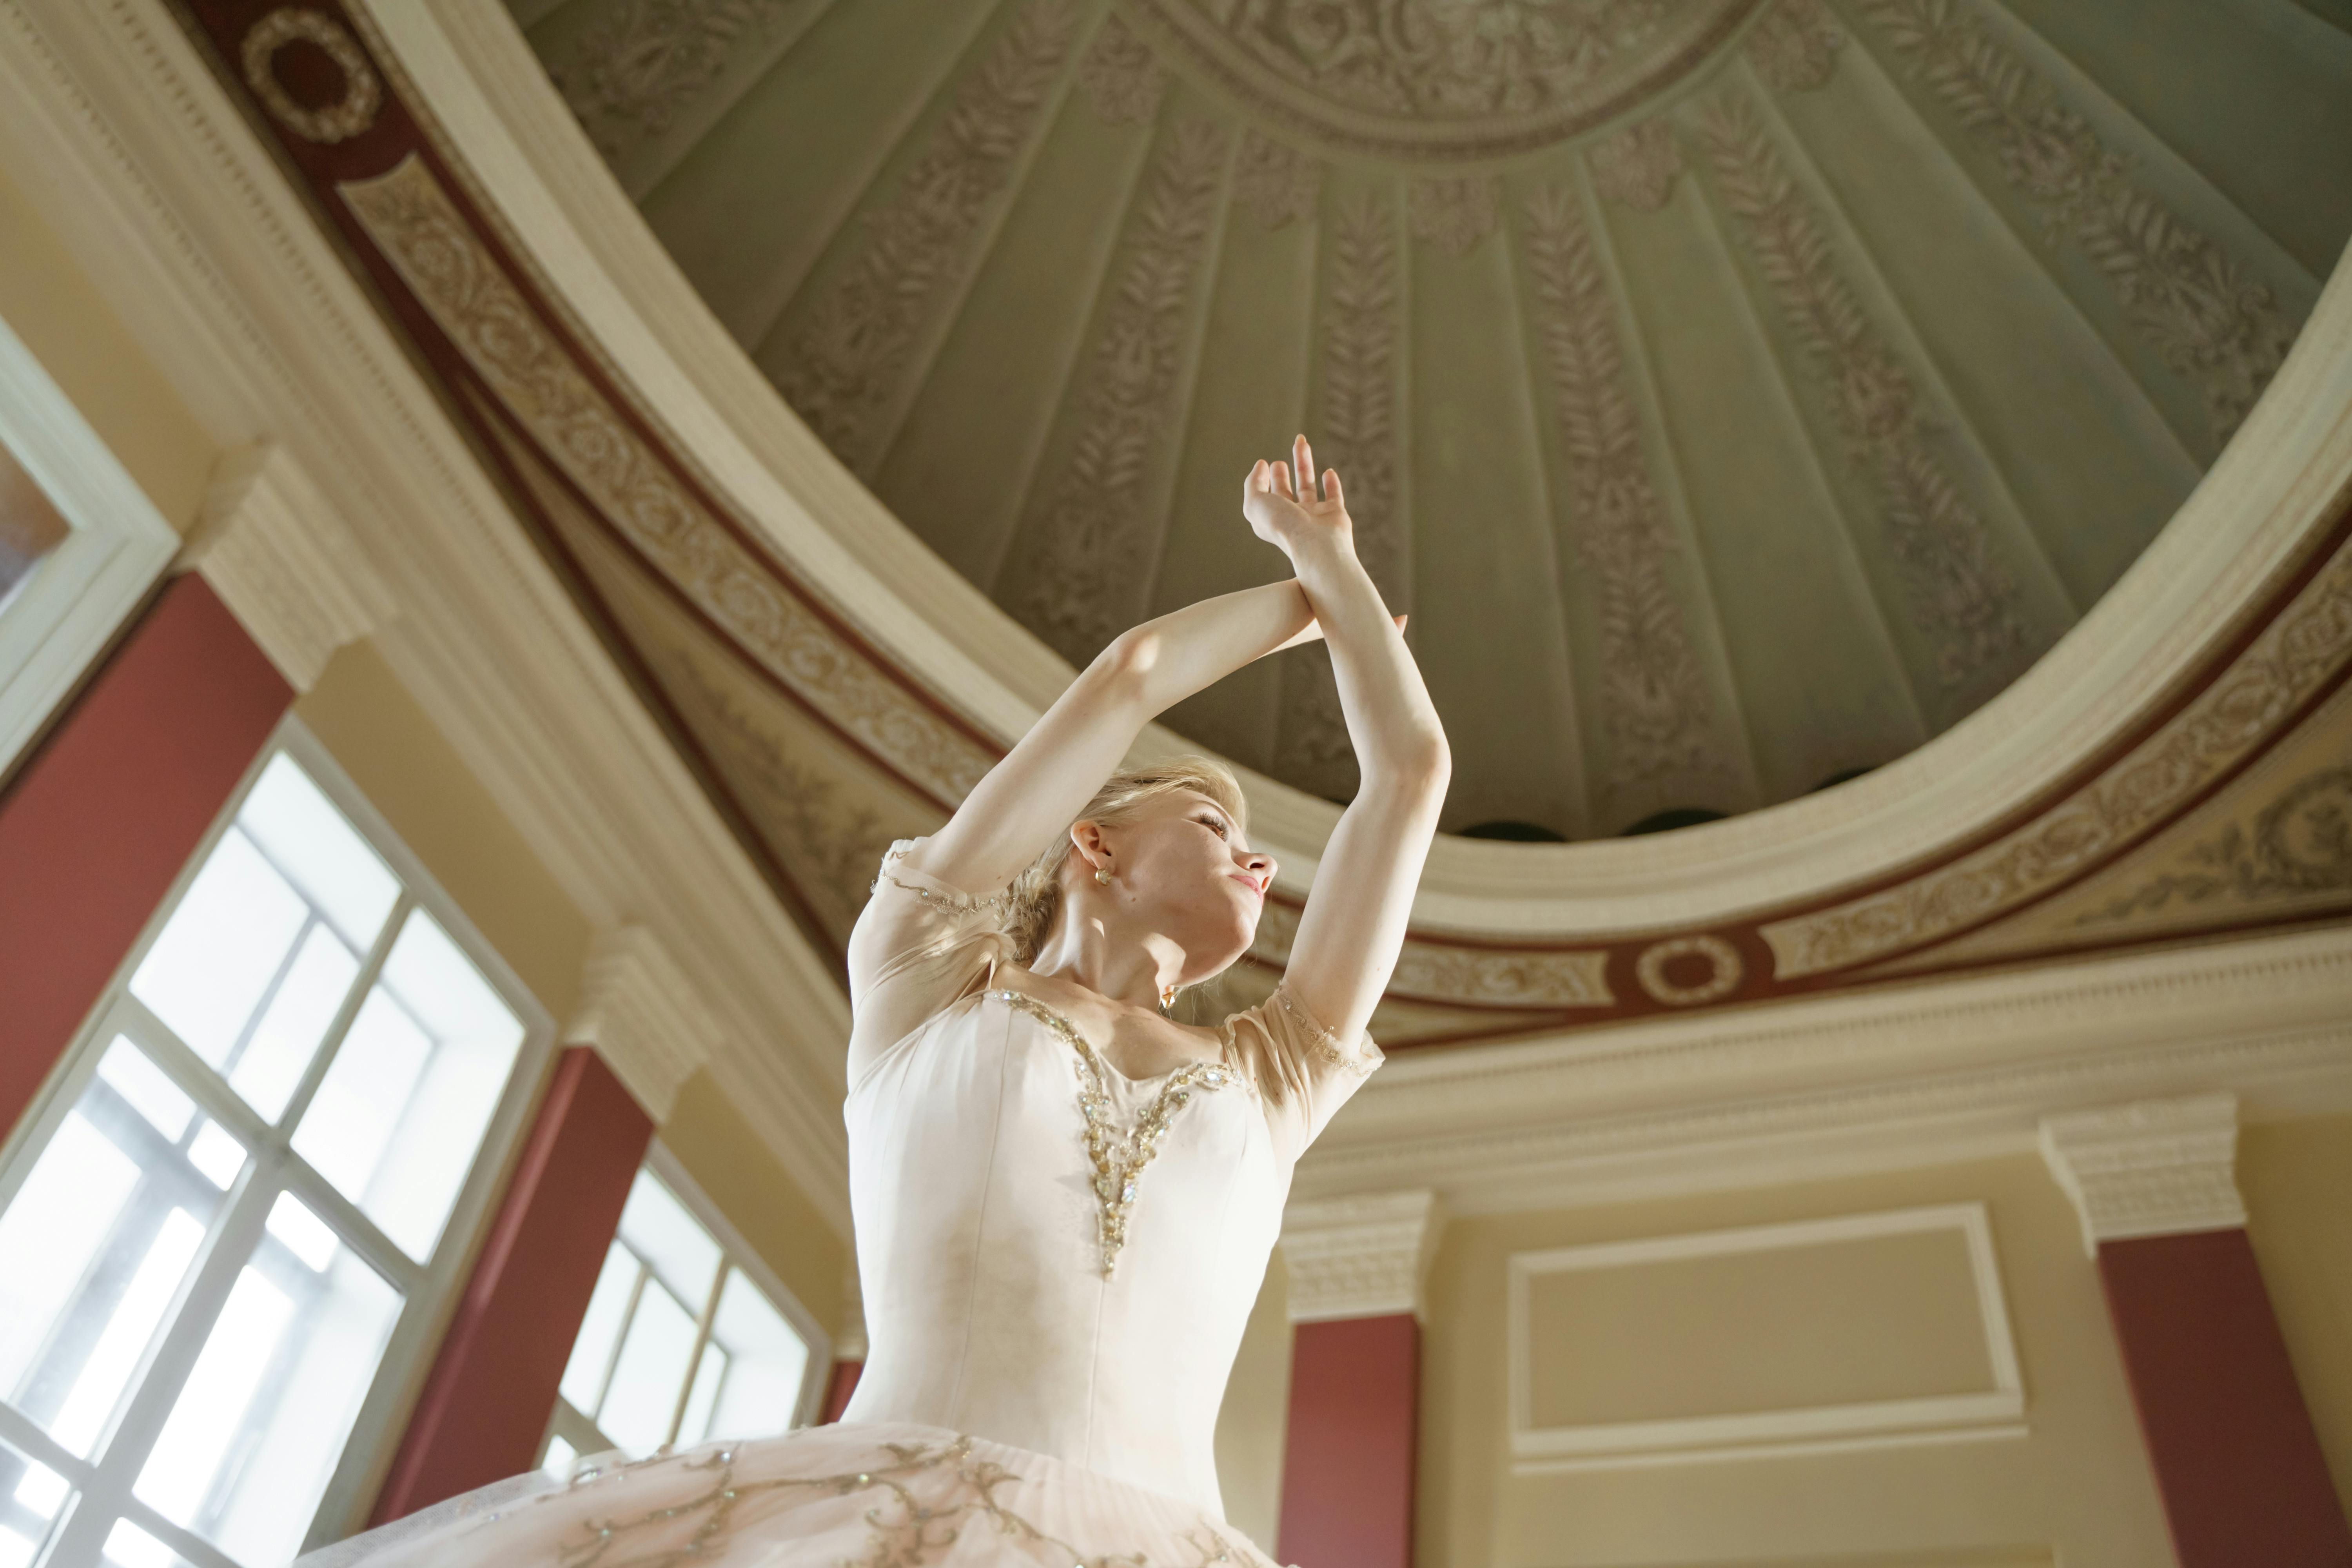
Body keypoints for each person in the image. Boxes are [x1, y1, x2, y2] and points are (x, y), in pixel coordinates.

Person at [298, 438, 1449, 1568]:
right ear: (1092, 844)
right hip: (897, 1520)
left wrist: (1345, 585)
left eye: (1255, 851)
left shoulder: (1277, 1073)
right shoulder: (930, 972)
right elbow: (1130, 680)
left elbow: (1407, 776)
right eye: (1216, 827)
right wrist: (1305, 583)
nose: (1259, 866)